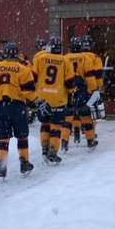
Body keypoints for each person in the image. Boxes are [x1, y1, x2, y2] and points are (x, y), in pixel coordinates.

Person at [0, 40, 36, 177]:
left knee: (3, 139)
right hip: (17, 105)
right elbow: (29, 90)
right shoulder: (23, 69)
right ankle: (24, 163)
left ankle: (2, 165)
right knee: (22, 137)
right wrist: (35, 101)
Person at [32, 35, 76, 163]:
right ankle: (53, 151)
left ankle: (44, 149)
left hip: (42, 98)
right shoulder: (64, 60)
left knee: (44, 124)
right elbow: (69, 82)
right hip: (58, 98)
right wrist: (72, 92)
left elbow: (32, 77)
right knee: (56, 126)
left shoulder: (40, 58)